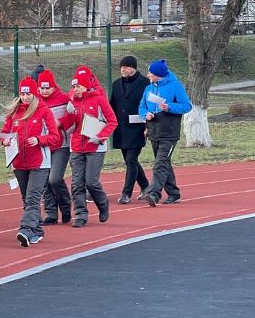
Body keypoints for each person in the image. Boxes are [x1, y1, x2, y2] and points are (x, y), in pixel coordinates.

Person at [0, 78, 61, 246]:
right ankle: (37, 230)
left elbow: (55, 137)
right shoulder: (14, 113)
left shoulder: (44, 112)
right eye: (22, 94)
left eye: (28, 94)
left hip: (39, 163)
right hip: (19, 163)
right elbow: (4, 133)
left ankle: (25, 230)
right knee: (26, 199)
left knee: (33, 198)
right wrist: (4, 140)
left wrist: (40, 140)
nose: (25, 97)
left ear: (35, 94)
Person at [67, 66, 117, 227]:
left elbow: (112, 121)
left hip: (95, 147)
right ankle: (81, 214)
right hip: (76, 147)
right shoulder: (72, 101)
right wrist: (69, 114)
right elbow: (69, 126)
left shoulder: (99, 99)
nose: (76, 90)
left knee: (91, 182)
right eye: (74, 87)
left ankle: (102, 204)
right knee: (76, 183)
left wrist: (101, 136)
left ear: (87, 85)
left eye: (79, 86)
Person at [139, 59, 193, 206]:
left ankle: (154, 194)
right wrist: (146, 115)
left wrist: (169, 107)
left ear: (158, 74)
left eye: (150, 72)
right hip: (154, 130)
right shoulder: (148, 88)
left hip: (169, 131)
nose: (148, 74)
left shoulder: (175, 86)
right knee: (164, 163)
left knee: (160, 163)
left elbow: (187, 106)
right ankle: (174, 193)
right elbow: (142, 107)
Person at [109, 55, 151, 204]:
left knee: (131, 159)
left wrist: (148, 126)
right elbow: (112, 106)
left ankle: (126, 193)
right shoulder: (115, 84)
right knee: (129, 161)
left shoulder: (145, 83)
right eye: (121, 67)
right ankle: (146, 186)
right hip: (121, 129)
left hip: (138, 128)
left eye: (126, 67)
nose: (123, 69)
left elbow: (150, 105)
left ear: (133, 67)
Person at [36, 70, 75, 224]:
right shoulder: (35, 101)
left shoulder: (64, 99)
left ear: (54, 87)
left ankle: (65, 207)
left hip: (61, 145)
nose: (44, 91)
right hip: (43, 145)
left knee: (55, 179)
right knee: (44, 180)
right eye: (42, 88)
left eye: (48, 88)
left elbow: (73, 117)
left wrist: (61, 123)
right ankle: (51, 213)